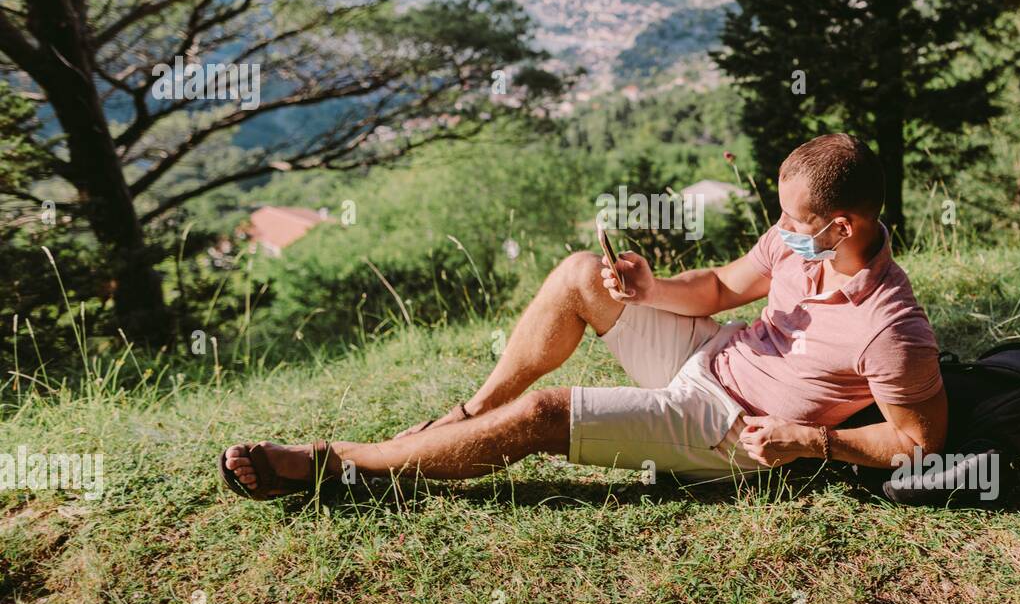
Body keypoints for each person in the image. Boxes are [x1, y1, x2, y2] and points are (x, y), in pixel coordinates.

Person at [219, 133, 948, 499]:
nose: (783, 228)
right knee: (578, 275)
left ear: (844, 226)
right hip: (712, 356)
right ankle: (465, 413)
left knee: (543, 415)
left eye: (796, 219)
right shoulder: (802, 246)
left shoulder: (891, 328)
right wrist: (648, 287)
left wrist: (809, 440)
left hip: (732, 427)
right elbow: (722, 290)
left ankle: (337, 466)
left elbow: (917, 442)